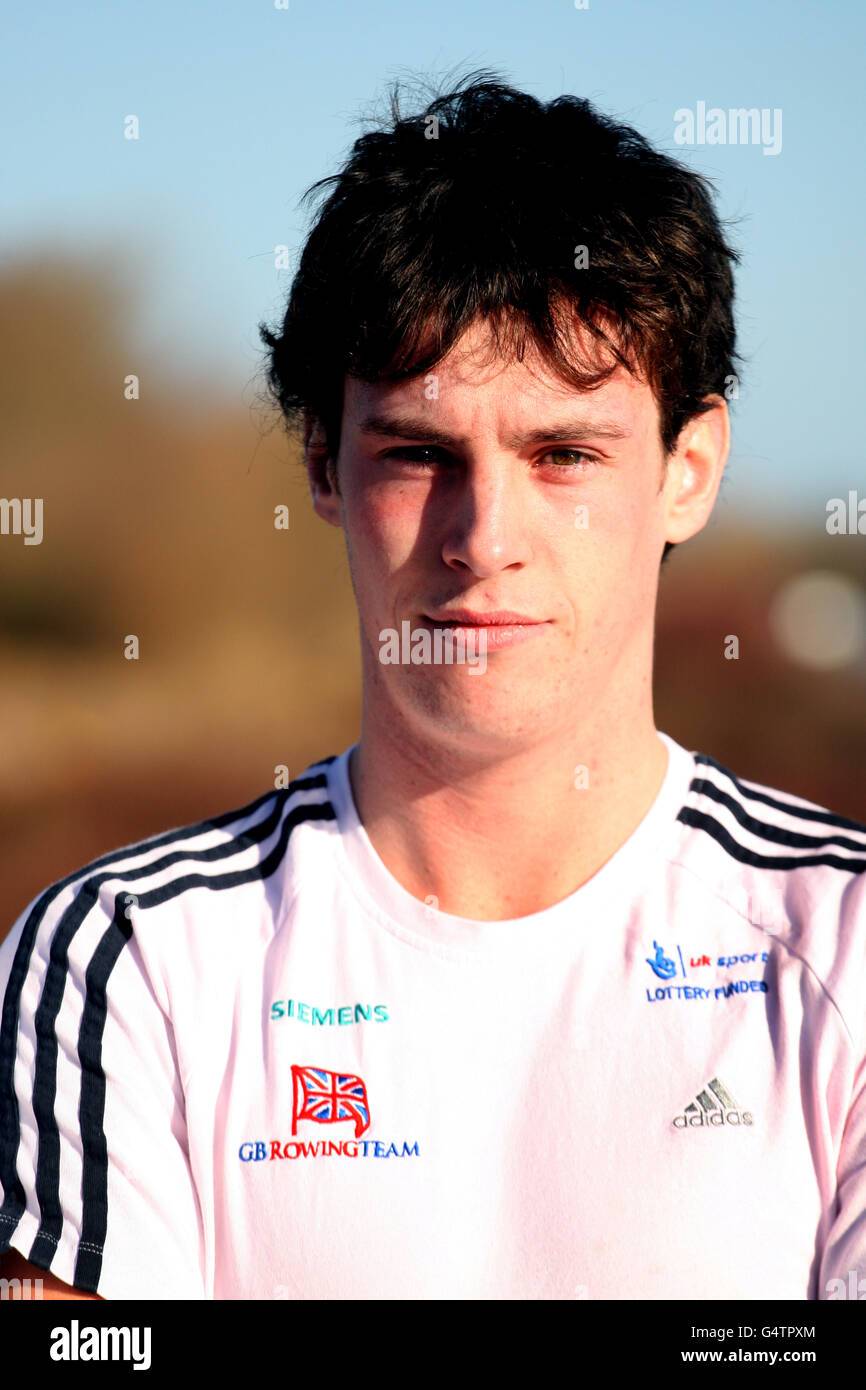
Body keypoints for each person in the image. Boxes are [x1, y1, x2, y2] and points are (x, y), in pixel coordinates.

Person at [1, 72, 864, 1302]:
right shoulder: (126, 963)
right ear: (324, 466)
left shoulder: (843, 949)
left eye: (562, 453)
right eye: (417, 452)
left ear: (688, 468)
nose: (483, 537)